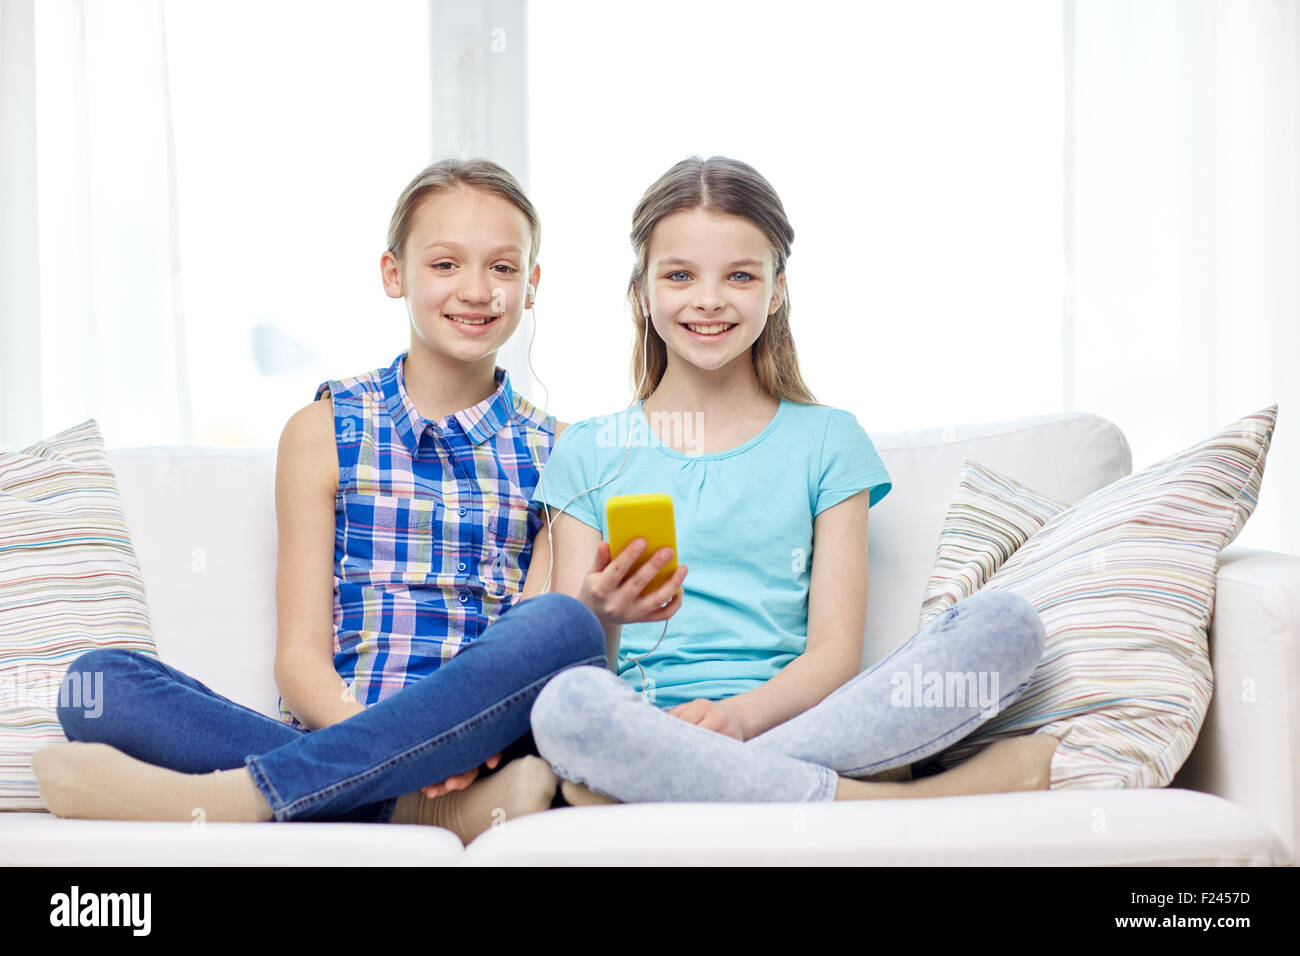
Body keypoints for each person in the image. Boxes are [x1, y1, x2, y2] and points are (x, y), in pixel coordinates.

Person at [31, 158, 606, 844]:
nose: (476, 290)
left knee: (567, 628)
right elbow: (299, 659)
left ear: (532, 284)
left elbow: (533, 645)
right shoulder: (324, 429)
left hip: (481, 747)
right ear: (394, 274)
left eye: (504, 269)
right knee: (97, 684)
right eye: (446, 264)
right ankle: (407, 805)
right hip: (344, 723)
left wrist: (455, 742)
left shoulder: (563, 449)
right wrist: (397, 752)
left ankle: (249, 795)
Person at [527, 155, 1060, 805]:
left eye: (741, 275)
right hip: (633, 727)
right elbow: (554, 664)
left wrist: (738, 721)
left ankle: (668, 788)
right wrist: (604, 616)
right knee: (565, 706)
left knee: (1005, 626)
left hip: (796, 725)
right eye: (679, 275)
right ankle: (895, 802)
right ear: (642, 290)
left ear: (777, 290)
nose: (709, 299)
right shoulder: (587, 449)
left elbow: (834, 657)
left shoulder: (828, 441)